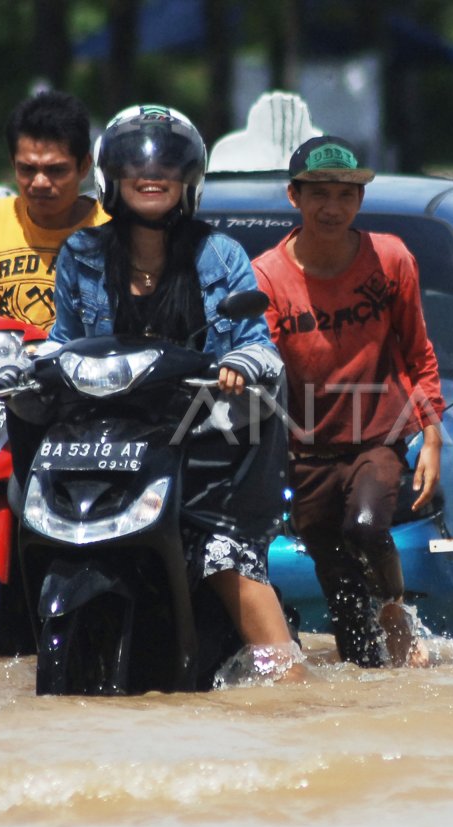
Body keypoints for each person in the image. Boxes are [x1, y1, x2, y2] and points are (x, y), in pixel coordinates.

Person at [44, 104, 304, 681]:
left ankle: (297, 690)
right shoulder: (81, 256)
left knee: (223, 558)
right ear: (111, 177)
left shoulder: (222, 255)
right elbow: (59, 343)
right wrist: (20, 365)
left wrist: (239, 361)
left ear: (190, 178)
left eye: (168, 161)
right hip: (106, 446)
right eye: (135, 161)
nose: (151, 173)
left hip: (201, 447)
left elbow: (262, 347)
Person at [251, 135, 445, 668]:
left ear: (359, 201)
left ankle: (395, 610)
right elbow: (258, 363)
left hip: (377, 436)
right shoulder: (267, 276)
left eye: (344, 194)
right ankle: (366, 685)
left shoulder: (391, 260)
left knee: (365, 526)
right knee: (337, 582)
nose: (331, 207)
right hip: (307, 449)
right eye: (318, 194)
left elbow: (418, 352)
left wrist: (431, 438)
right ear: (294, 197)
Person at [0, 90, 109, 331]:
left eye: (56, 170)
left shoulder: (112, 228)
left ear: (84, 166)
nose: (40, 182)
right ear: (13, 164)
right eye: (27, 169)